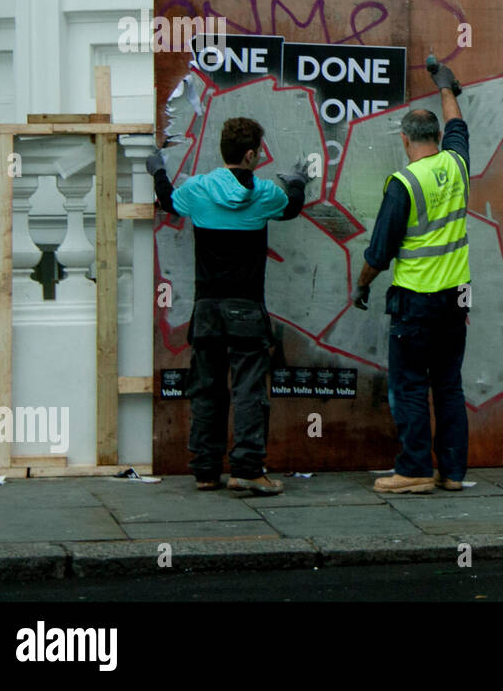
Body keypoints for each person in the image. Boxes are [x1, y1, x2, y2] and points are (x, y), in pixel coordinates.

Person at [146, 117, 313, 496]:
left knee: (207, 390)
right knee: (249, 391)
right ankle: (248, 469)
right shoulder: (265, 194)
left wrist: (157, 169)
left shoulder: (200, 189)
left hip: (207, 310)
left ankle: (205, 470)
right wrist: (300, 179)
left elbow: (169, 200)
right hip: (247, 311)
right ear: (251, 154)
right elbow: (291, 208)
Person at [353, 63, 470, 494]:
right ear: (437, 139)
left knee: (409, 385)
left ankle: (415, 470)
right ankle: (453, 473)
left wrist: (363, 284)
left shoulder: (404, 182)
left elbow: (379, 253)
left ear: (405, 140)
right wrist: (446, 89)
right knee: (448, 385)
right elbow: (458, 124)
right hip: (456, 298)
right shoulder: (456, 164)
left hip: (417, 301)